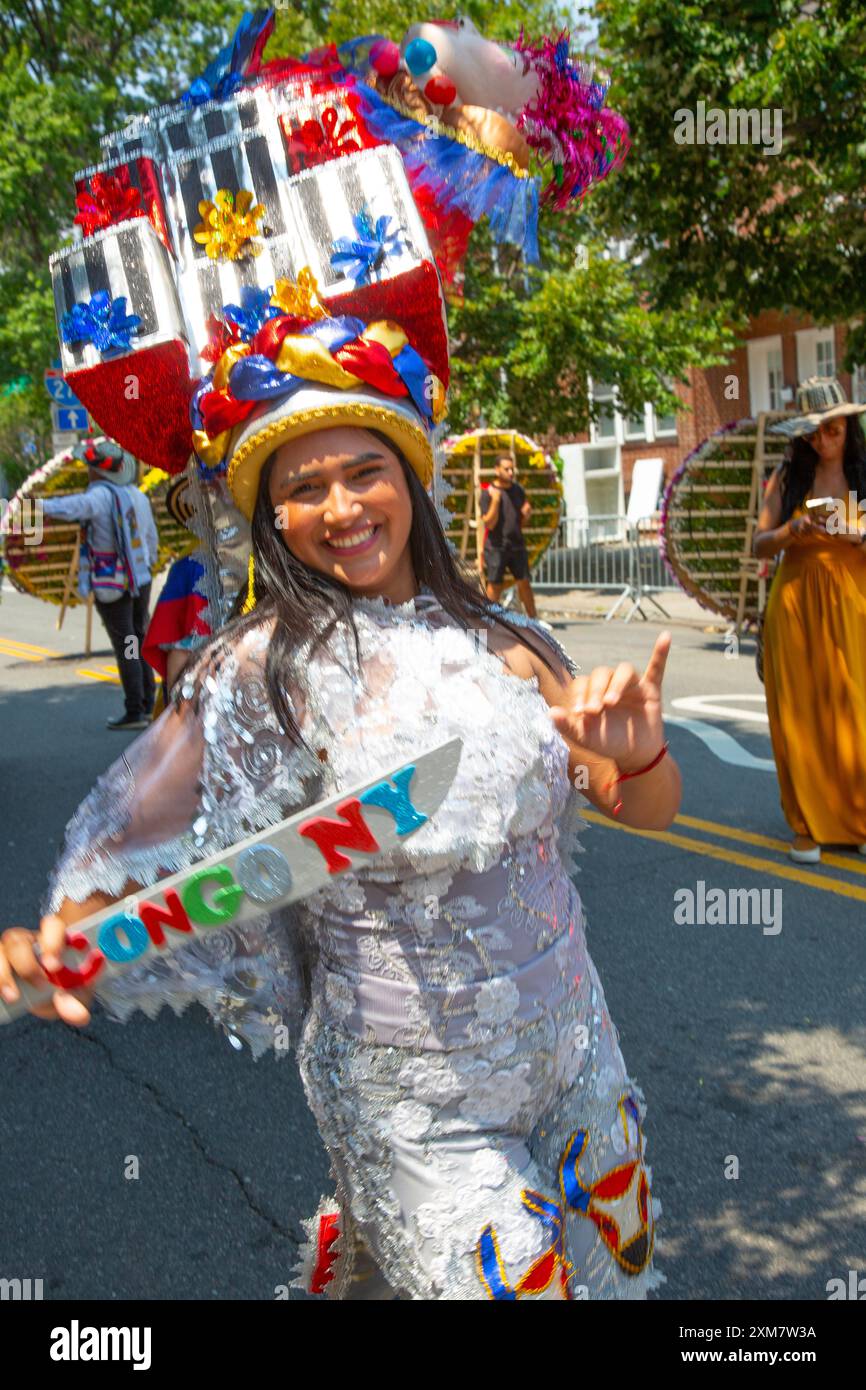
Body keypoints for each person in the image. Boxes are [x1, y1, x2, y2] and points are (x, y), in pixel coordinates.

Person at [0, 267, 681, 1301]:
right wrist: (72, 938)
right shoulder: (254, 672)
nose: (341, 507)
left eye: (365, 471)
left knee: (616, 1285)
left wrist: (634, 751)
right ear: (268, 515)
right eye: (301, 487)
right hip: (411, 1098)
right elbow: (138, 838)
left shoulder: (508, 639)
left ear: (411, 477)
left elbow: (642, 803)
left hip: (577, 1052)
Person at [755, 377, 866, 863]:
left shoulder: (863, 475)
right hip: (796, 600)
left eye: (833, 430)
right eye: (815, 434)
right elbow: (759, 544)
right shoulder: (787, 478)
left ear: (849, 427)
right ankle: (806, 826)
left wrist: (858, 536)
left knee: (855, 709)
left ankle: (858, 821)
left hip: (853, 600)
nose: (824, 441)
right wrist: (792, 530)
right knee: (798, 713)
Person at [41, 439, 159, 730]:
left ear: (98, 472)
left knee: (126, 643)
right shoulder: (137, 496)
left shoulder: (99, 497)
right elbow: (152, 540)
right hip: (139, 577)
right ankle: (146, 702)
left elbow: (68, 508)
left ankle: (135, 709)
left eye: (89, 467)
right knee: (137, 638)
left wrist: (31, 504)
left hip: (113, 580)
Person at [480, 455, 544, 621]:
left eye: (511, 469)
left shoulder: (517, 490)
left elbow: (520, 520)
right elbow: (489, 523)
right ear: (497, 470)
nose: (510, 472)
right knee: (494, 584)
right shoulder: (489, 492)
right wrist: (496, 501)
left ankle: (534, 620)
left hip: (516, 544)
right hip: (496, 545)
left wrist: (526, 514)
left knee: (524, 582)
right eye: (506, 469)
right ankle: (487, 619)